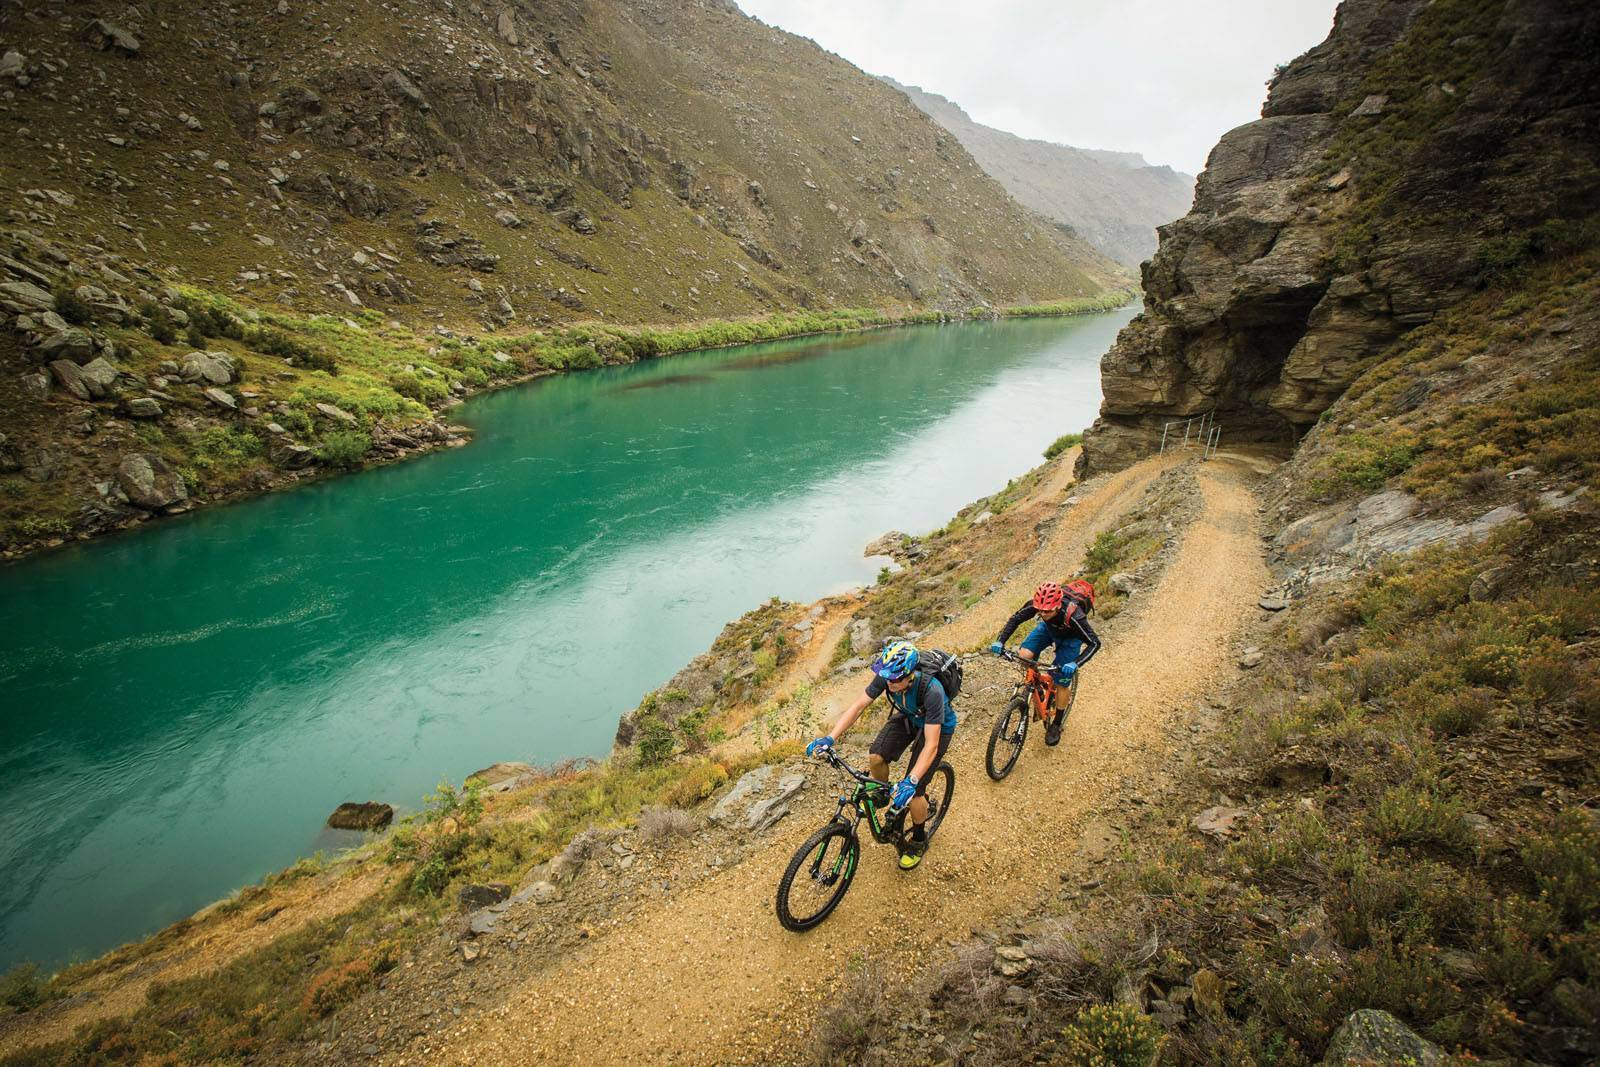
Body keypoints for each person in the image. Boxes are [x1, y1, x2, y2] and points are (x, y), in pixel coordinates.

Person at [805, 639, 955, 870]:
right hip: (909, 715)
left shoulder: (932, 689)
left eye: (895, 679)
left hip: (937, 728)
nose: (890, 683)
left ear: (910, 675)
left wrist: (911, 781)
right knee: (876, 756)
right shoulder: (887, 677)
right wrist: (830, 738)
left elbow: (931, 745)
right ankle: (883, 796)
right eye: (887, 678)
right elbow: (858, 706)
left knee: (916, 793)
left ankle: (918, 840)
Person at [989, 580, 1100, 746]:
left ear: (1056, 606)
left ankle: (1056, 724)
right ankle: (1037, 682)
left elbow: (1095, 643)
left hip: (1071, 639)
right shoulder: (1039, 606)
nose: (1041, 613)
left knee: (1061, 683)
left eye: (1046, 611)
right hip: (1048, 630)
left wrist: (1075, 663)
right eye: (1039, 610)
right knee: (1024, 654)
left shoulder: (1074, 615)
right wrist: (1001, 641)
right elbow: (1016, 619)